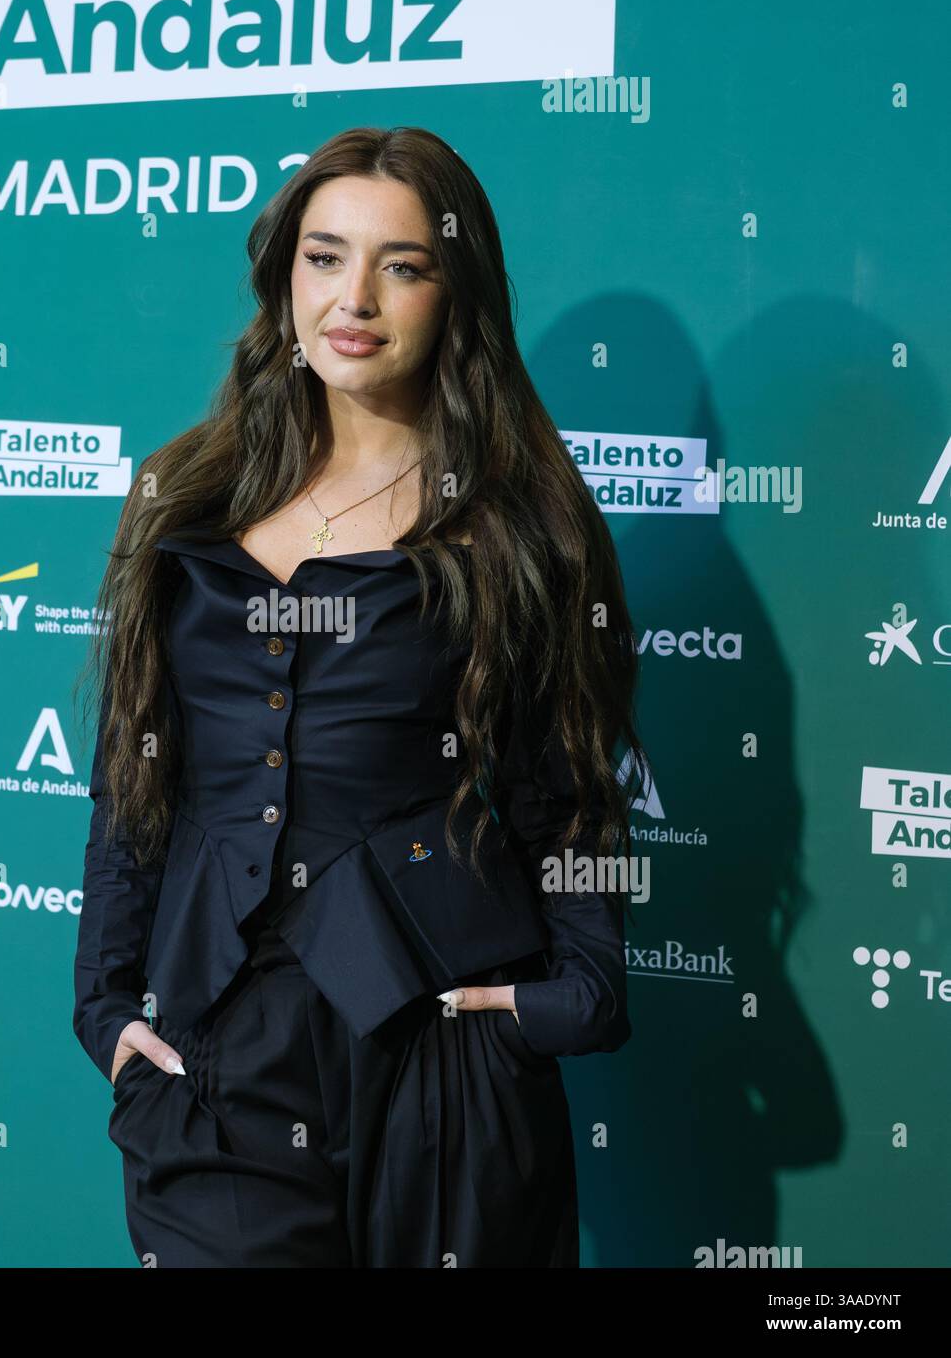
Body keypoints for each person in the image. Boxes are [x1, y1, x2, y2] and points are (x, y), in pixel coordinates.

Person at [72, 126, 646, 1268]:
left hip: (430, 1051)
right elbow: (136, 773)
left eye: (404, 265)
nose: (356, 298)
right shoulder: (185, 502)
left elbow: (572, 794)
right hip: (217, 1051)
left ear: (454, 290)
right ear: (284, 277)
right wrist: (105, 1004)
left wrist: (564, 1000)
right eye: (325, 257)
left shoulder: (517, 527)